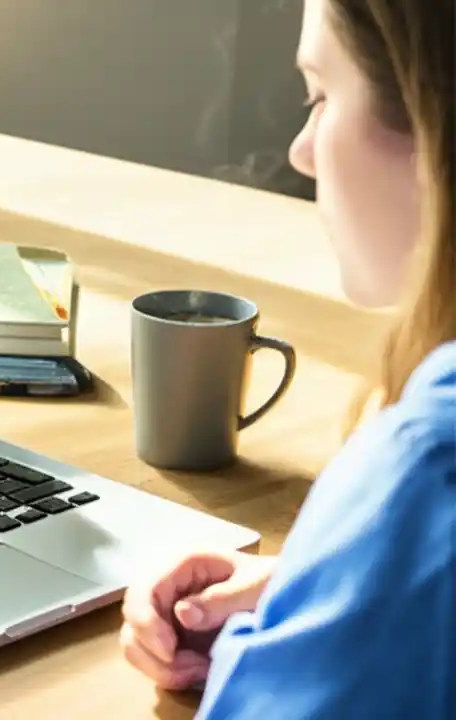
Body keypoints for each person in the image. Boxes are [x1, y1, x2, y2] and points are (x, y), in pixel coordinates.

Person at [119, 0, 454, 717]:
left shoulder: (431, 463)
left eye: (322, 95)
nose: (300, 151)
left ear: (434, 128)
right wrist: (321, 584)